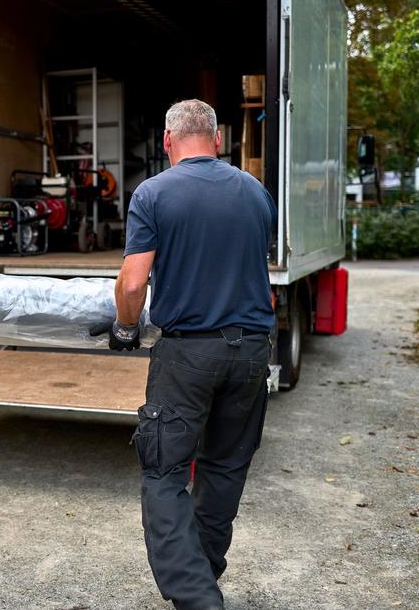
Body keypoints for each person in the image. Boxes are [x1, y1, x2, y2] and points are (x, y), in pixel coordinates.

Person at [110, 99, 276, 610]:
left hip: (188, 355)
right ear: (218, 139)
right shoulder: (255, 192)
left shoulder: (154, 193)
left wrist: (124, 327)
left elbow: (133, 281)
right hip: (251, 350)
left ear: (166, 141)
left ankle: (197, 598)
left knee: (164, 473)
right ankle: (204, 573)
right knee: (225, 467)